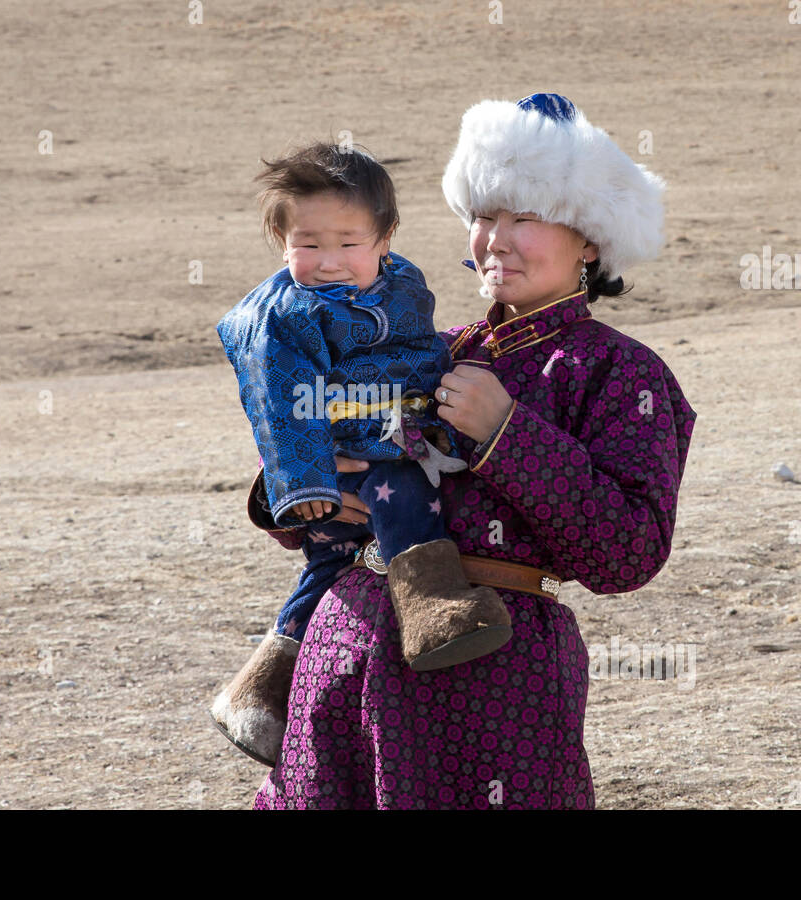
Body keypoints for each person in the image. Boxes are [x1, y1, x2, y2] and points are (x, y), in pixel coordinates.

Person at [242, 93, 698, 808]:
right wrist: (298, 487)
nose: (498, 240)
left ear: (590, 240)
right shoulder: (425, 345)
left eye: (526, 218)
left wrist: (505, 433)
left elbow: (627, 554)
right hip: (343, 651)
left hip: (494, 678)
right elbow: (300, 487)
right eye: (486, 216)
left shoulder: (620, 373)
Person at [210, 143, 513, 767]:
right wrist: (303, 484)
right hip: (348, 452)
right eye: (308, 244)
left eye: (348, 242)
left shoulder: (402, 283)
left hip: (397, 430)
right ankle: (433, 609)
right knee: (403, 500)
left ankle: (256, 697)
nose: (328, 262)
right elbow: (277, 402)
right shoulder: (282, 317)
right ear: (281, 242)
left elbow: (422, 351)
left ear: (385, 237)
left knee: (330, 568)